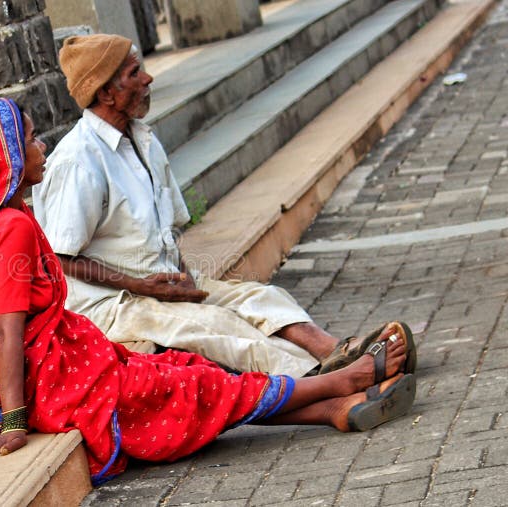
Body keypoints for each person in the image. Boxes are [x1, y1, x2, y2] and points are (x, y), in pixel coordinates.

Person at [0, 98, 416, 482]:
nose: (41, 146)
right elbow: (6, 334)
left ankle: (333, 409)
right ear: (3, 161)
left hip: (74, 359)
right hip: (62, 381)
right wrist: (14, 423)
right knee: (191, 385)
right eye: (28, 141)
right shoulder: (13, 229)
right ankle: (336, 382)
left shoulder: (7, 219)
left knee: (188, 372)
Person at [32, 34, 417, 378]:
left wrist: (180, 276)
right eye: (135, 73)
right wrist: (140, 285)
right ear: (106, 93)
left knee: (257, 298)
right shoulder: (78, 161)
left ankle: (336, 350)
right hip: (113, 304)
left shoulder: (141, 138)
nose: (148, 79)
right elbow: (58, 257)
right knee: (221, 327)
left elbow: (166, 230)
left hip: (158, 284)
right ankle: (327, 380)